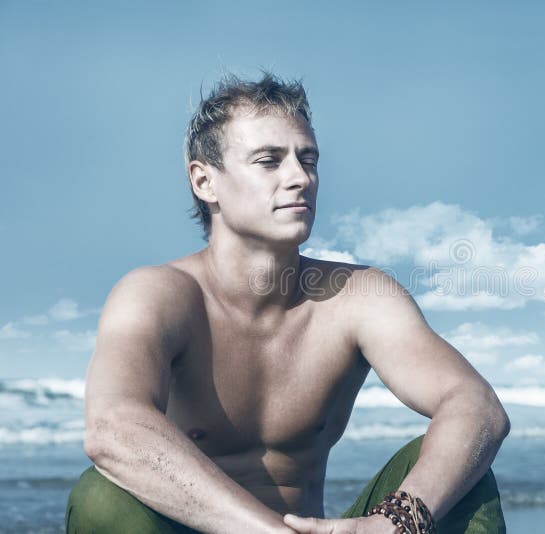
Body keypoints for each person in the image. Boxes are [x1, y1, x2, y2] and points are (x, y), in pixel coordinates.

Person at [65, 71, 510, 533]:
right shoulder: (160, 295)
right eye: (268, 160)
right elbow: (113, 429)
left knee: (459, 471)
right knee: (102, 497)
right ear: (204, 181)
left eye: (309, 159)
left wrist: (394, 522)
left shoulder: (357, 298)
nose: (300, 178)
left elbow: (477, 406)